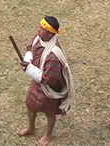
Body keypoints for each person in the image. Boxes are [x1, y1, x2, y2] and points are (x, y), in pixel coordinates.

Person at [17, 16, 74, 146]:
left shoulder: (54, 56)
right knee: (30, 105)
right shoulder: (39, 38)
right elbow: (30, 46)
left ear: (50, 33)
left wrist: (29, 68)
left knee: (50, 113)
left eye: (42, 30)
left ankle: (48, 135)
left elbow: (48, 79)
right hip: (37, 83)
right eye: (39, 28)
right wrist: (28, 59)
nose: (38, 31)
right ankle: (31, 128)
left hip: (49, 89)